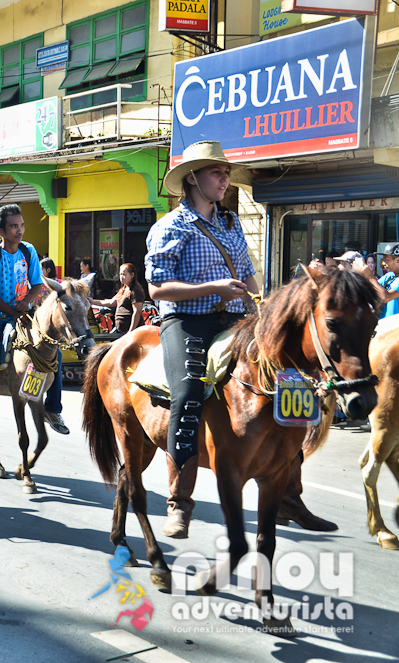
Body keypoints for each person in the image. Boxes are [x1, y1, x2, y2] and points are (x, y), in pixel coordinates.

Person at [148, 141, 261, 539]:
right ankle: (179, 503)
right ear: (192, 178)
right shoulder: (170, 226)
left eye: (226, 172)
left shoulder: (231, 224)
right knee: (189, 392)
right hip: (187, 322)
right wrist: (211, 287)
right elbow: (157, 288)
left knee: (283, 378)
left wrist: (259, 309)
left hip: (234, 319)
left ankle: (288, 490)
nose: (225, 179)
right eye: (217, 173)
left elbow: (247, 273)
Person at [0, 204, 68, 434]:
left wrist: (27, 301)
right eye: (13, 226)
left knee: (56, 353)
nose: (20, 230)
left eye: (22, 225)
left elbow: (37, 283)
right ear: (0, 231)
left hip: (25, 315)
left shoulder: (29, 251)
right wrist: (11, 311)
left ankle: (53, 409)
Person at [38, 258, 70, 435]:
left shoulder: (57, 288)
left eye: (41, 268)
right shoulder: (34, 283)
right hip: (27, 324)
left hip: (47, 334)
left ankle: (52, 408)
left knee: (57, 356)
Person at [89, 263, 145, 334]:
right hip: (121, 330)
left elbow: (137, 312)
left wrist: (131, 331)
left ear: (132, 275)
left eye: (124, 274)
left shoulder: (135, 290)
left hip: (132, 332)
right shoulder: (123, 289)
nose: (121, 277)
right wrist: (93, 301)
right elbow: (111, 302)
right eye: (120, 274)